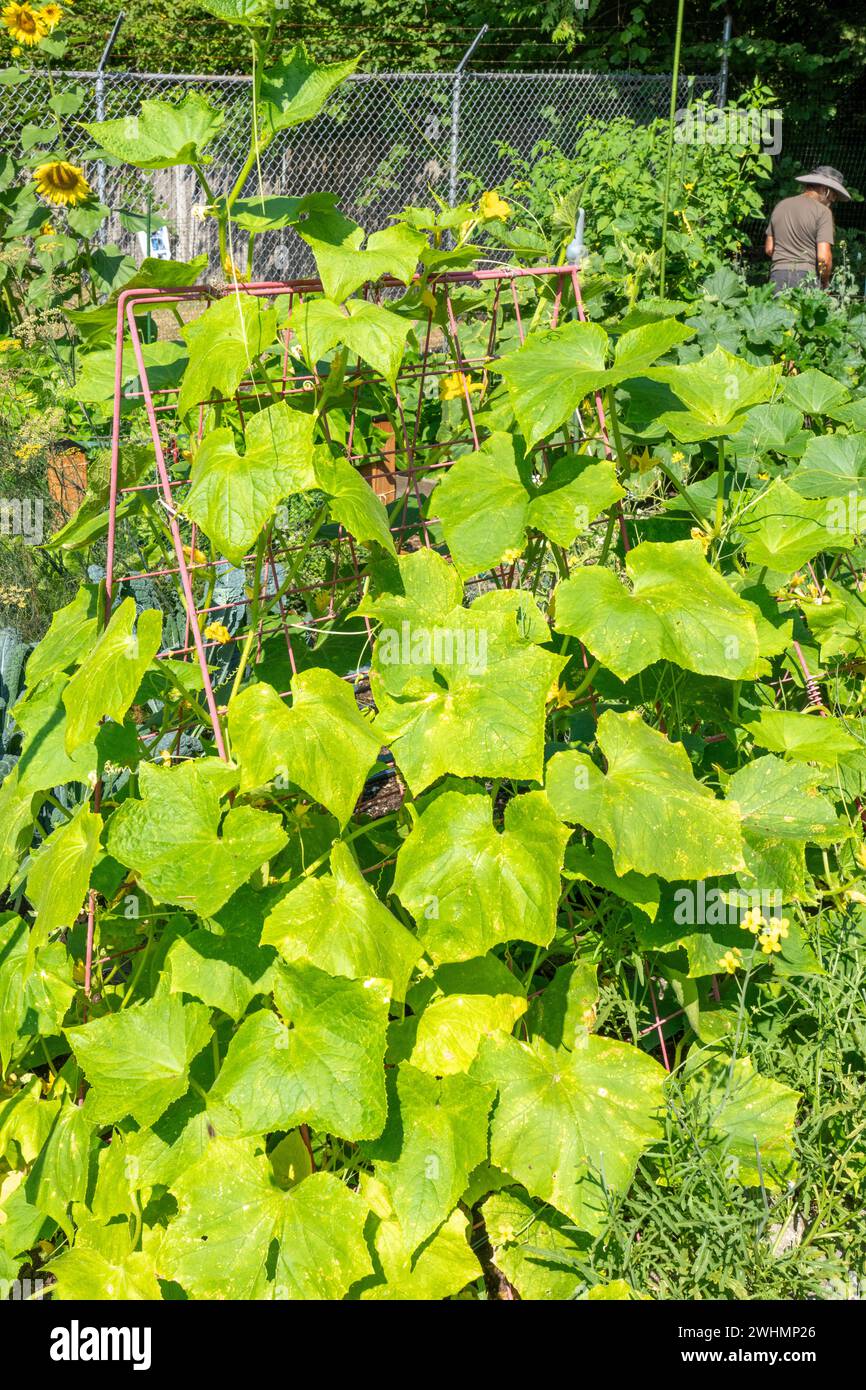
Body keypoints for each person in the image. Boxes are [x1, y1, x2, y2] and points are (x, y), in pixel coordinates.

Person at [764, 165, 851, 293]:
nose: (832, 200)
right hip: (805, 279)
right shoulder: (823, 212)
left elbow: (769, 248)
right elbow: (823, 258)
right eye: (833, 195)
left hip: (777, 277)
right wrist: (825, 282)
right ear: (824, 189)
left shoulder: (780, 205)